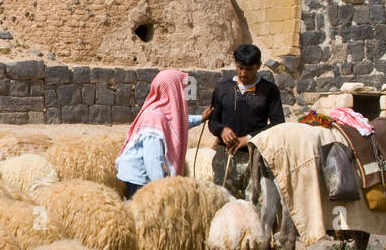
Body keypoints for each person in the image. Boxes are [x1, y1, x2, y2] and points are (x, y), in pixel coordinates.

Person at [116, 68, 212, 200]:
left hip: (142, 176)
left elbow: (175, 123)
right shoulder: (155, 117)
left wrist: (200, 118)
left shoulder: (161, 110)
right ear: (173, 90)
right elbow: (152, 161)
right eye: (181, 87)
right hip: (140, 179)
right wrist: (163, 189)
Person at [207, 43, 285, 196]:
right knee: (223, 203)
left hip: (257, 156)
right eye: (239, 67)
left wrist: (249, 139)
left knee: (256, 205)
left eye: (249, 69)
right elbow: (213, 121)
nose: (243, 73)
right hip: (226, 155)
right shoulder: (223, 89)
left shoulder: (269, 90)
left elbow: (278, 123)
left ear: (258, 66)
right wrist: (222, 130)